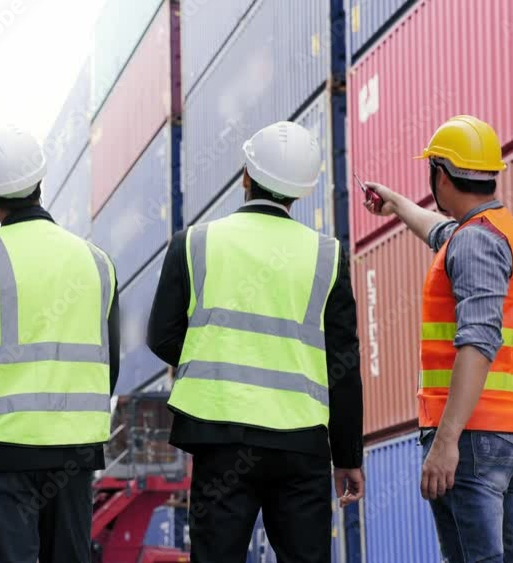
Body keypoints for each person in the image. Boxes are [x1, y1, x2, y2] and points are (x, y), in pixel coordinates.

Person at [147, 121, 365, 563]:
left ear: (246, 175)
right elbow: (344, 365)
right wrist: (347, 456)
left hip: (220, 437)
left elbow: (161, 336)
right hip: (300, 443)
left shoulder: (193, 243)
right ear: (302, 190)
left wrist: (215, 361)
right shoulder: (327, 254)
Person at [0, 125, 120, 563]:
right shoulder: (97, 261)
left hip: (1, 456)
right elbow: (107, 365)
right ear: (40, 183)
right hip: (74, 455)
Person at [363, 115, 513, 562]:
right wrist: (397, 204)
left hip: (472, 439)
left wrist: (445, 442)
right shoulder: (496, 231)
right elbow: (440, 232)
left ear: (440, 175)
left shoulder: (474, 243)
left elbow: (478, 342)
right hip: (511, 434)